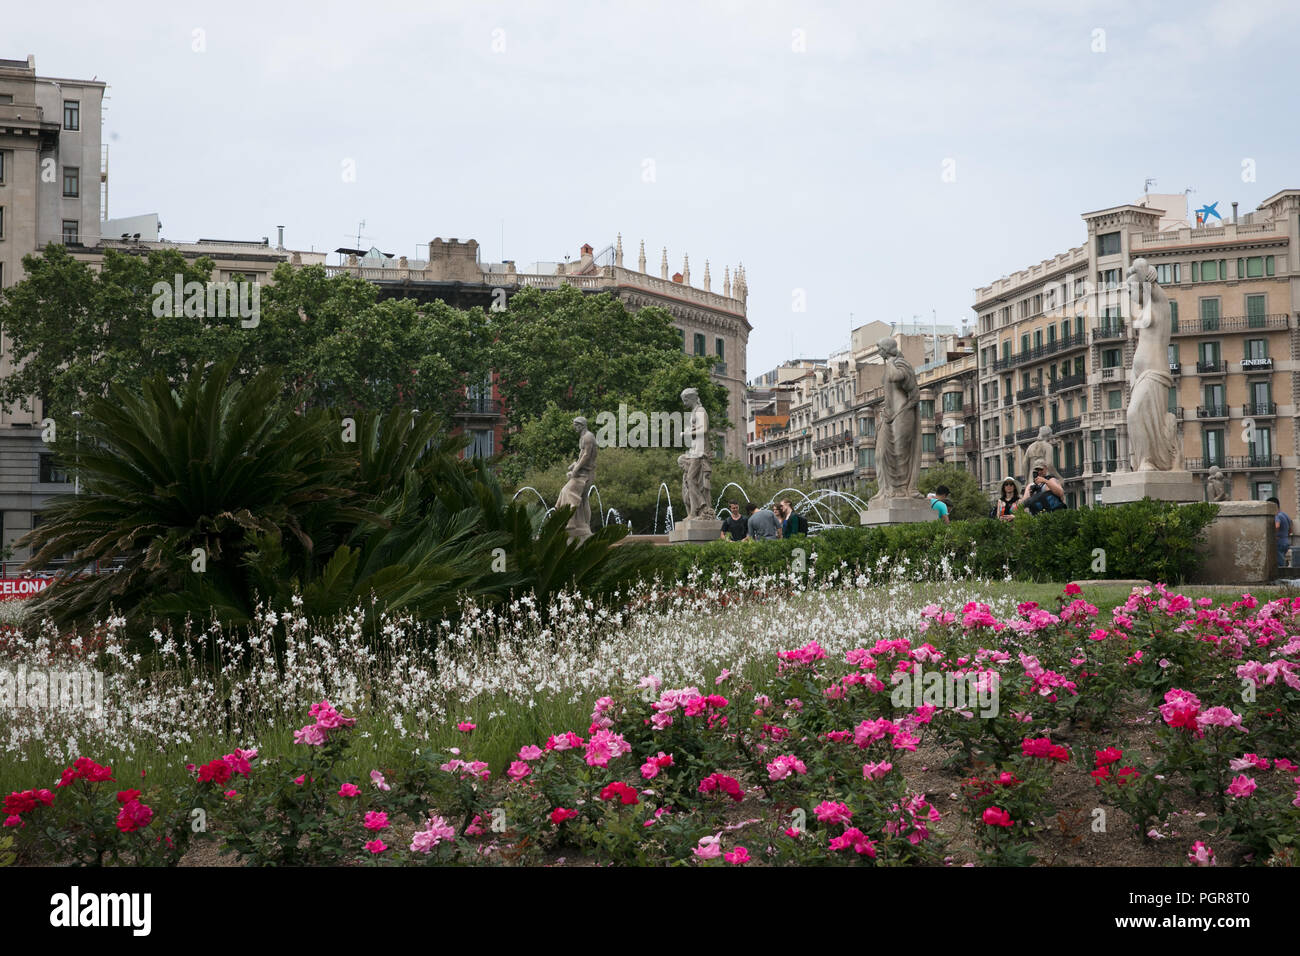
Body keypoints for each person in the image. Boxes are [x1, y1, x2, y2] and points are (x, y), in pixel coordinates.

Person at [1269, 497, 1291, 569]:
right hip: (1286, 541)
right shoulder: (1285, 515)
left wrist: (1274, 536)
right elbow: (1291, 527)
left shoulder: (1277, 515)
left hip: (1279, 542)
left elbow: (1277, 525)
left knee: (1280, 565)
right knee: (1282, 561)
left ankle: (1283, 579)